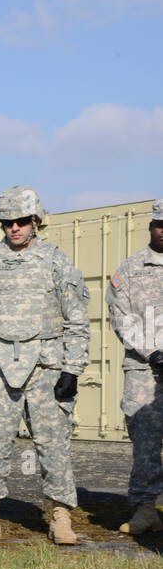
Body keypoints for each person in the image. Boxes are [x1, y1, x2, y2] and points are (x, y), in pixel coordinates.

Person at [0, 186, 90, 546]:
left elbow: (77, 320)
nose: (13, 228)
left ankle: (60, 516)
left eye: (21, 222)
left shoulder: (56, 262)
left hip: (47, 366)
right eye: (7, 223)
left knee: (53, 444)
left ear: (35, 222)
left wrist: (72, 370)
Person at [105, 198, 163, 535]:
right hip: (144, 371)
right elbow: (120, 317)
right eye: (159, 224)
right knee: (145, 442)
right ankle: (145, 509)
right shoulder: (130, 269)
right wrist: (152, 351)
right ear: (150, 226)